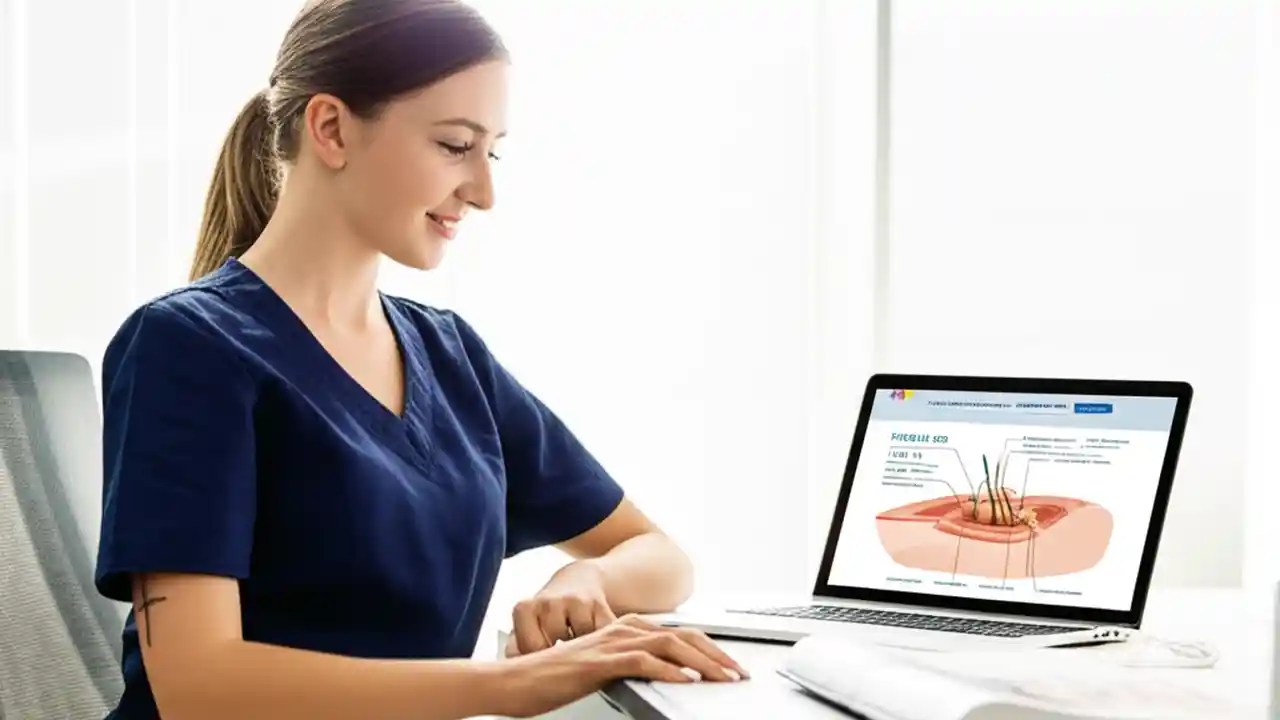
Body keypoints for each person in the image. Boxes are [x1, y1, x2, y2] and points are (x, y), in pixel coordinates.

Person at [92, 1, 747, 718]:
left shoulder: (450, 354)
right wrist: (517, 683)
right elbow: (199, 685)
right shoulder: (188, 347)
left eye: (490, 151)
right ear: (332, 129)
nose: (485, 192)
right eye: (454, 145)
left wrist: (588, 582)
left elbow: (661, 557)